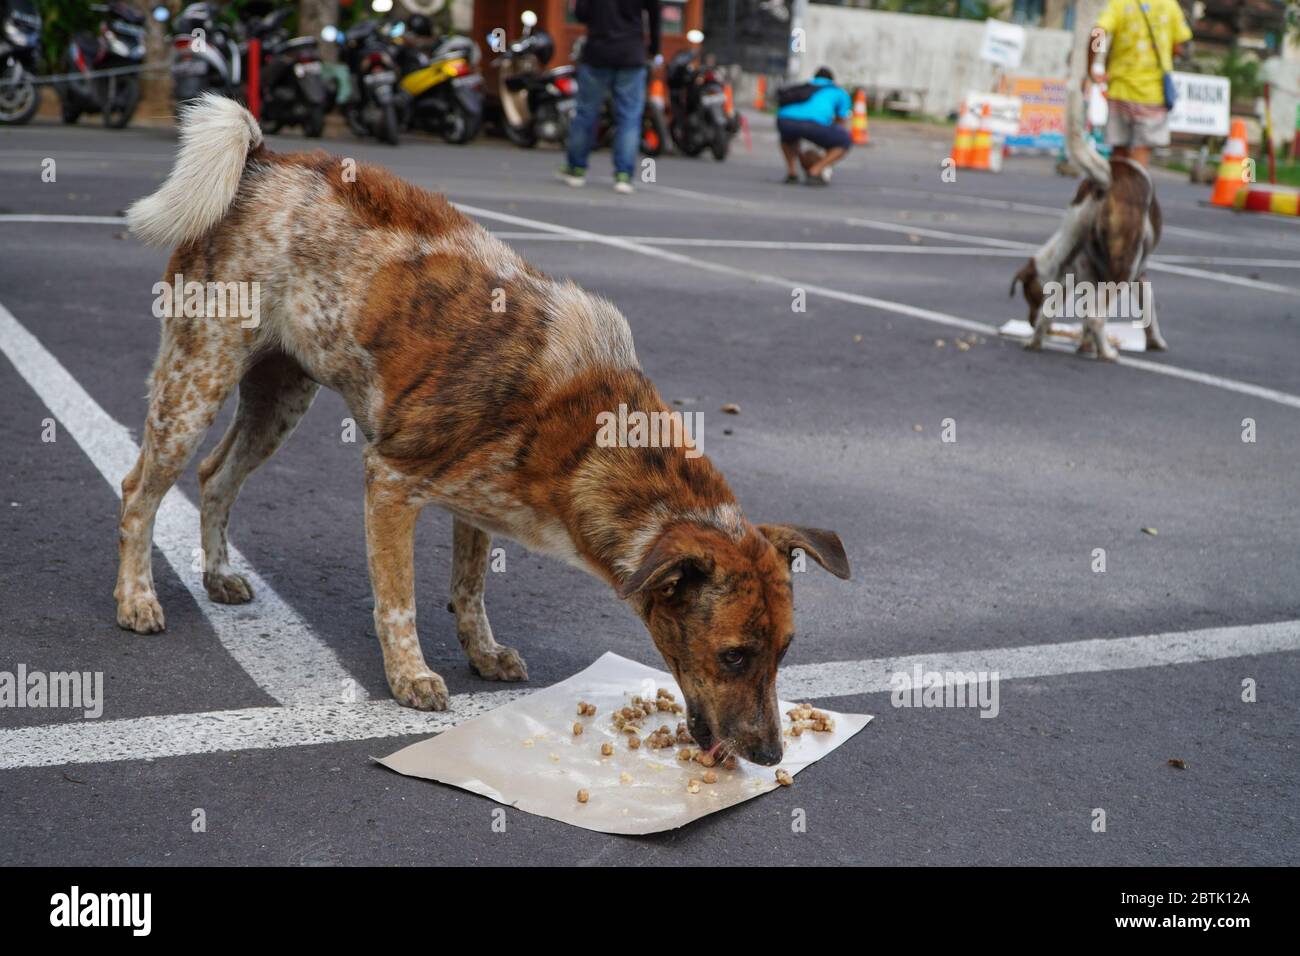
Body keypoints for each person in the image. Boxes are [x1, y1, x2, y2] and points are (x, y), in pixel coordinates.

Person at [559, 0, 661, 195]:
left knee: (586, 113)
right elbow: (655, 15)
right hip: (631, 53)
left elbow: (581, 13)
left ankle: (576, 168)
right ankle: (623, 174)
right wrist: (654, 49)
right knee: (629, 117)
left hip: (598, 51)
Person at [1087, 0, 1192, 168]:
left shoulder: (1119, 3)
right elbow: (1178, 46)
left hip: (1119, 89)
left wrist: (1092, 64)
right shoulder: (1169, 5)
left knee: (1118, 148)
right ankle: (1134, 192)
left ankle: (1117, 191)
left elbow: (1098, 32)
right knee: (1141, 149)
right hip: (1153, 92)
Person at [776, 67, 853, 185]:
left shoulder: (803, 87)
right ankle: (815, 171)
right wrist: (829, 140)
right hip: (813, 124)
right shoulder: (838, 91)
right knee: (844, 141)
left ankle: (792, 173)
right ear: (832, 79)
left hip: (784, 121)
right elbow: (841, 120)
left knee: (788, 137)